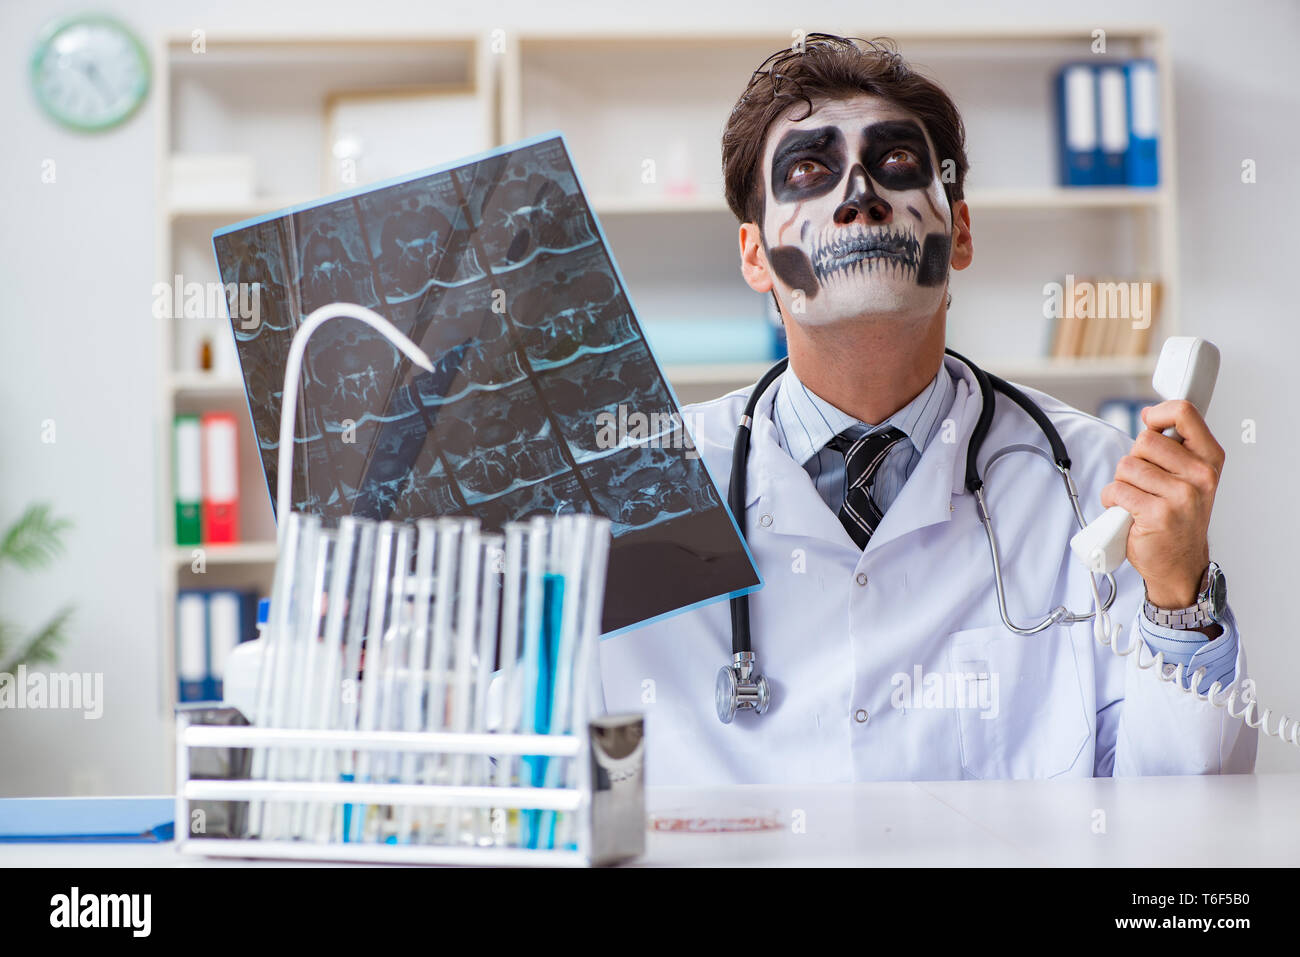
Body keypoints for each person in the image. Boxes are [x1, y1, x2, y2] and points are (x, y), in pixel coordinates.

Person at [597, 33, 1255, 785]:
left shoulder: (1094, 482)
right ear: (753, 256)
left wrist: (1179, 597)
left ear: (961, 232)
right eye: (810, 169)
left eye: (897, 164)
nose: (860, 196)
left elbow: (1180, 821)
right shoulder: (636, 493)